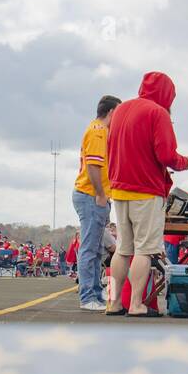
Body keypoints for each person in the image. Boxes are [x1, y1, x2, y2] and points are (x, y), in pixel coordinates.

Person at [106, 71, 188, 316]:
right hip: (146, 190)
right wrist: (186, 162)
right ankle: (136, 304)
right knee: (144, 250)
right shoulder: (158, 113)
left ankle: (113, 303)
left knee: (123, 249)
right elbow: (167, 155)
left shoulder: (121, 109)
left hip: (119, 189)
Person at [72, 94, 121, 311]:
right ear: (112, 112)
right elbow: (93, 165)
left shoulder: (100, 131)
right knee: (90, 249)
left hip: (93, 195)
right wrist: (101, 194)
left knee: (96, 249)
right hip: (91, 195)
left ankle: (94, 293)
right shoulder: (98, 131)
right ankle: (88, 296)